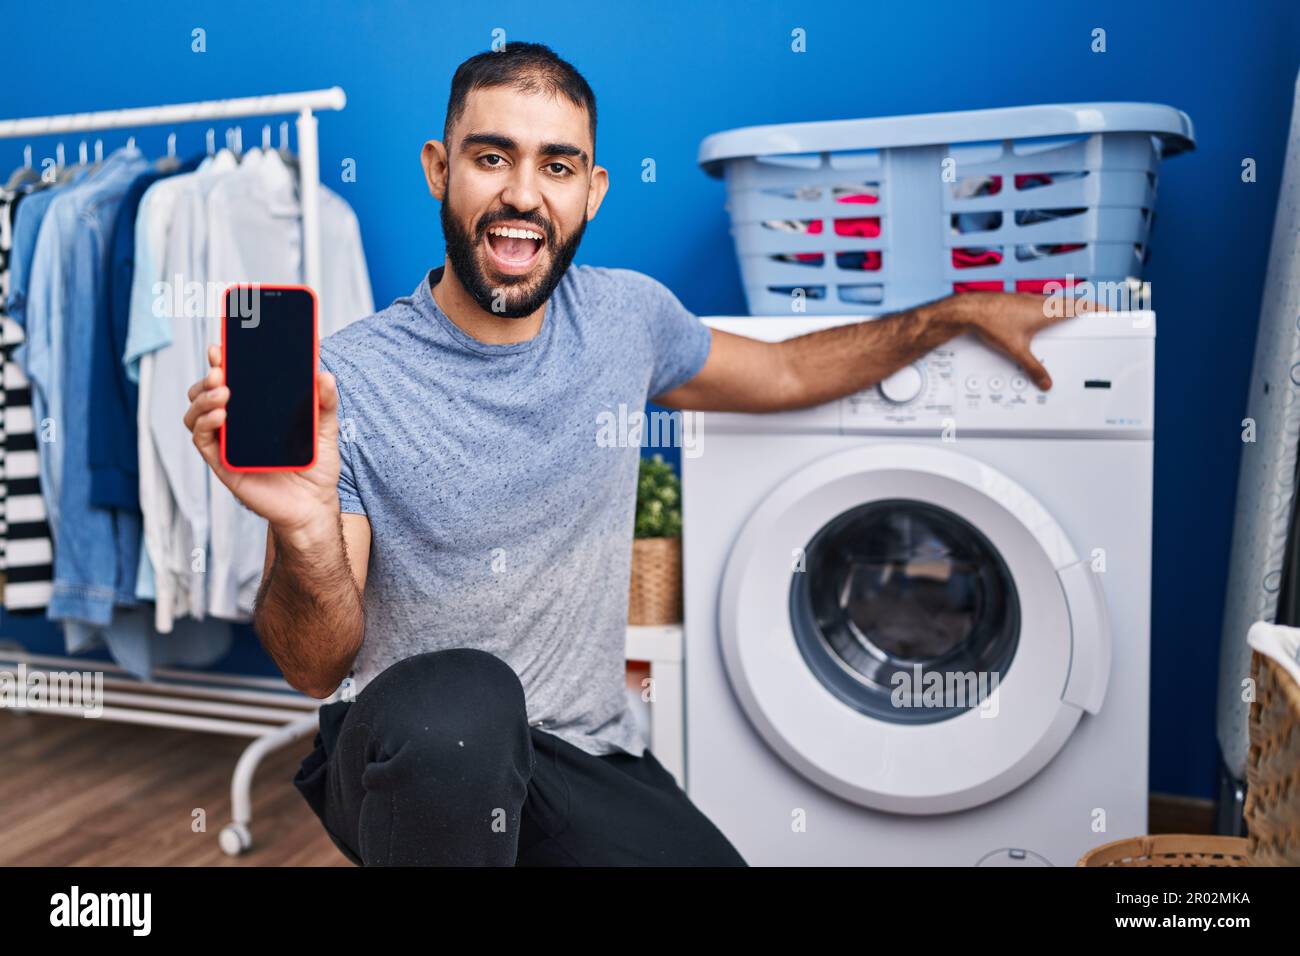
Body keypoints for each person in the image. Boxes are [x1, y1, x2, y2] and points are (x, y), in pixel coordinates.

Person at [182, 41, 1098, 866]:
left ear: (595, 189)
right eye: (491, 156)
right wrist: (305, 531)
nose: (522, 194)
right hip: (409, 757)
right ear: (439, 168)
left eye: (558, 165)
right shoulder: (350, 379)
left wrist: (953, 313)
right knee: (465, 705)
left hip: (581, 754)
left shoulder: (628, 319)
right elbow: (311, 666)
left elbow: (781, 374)